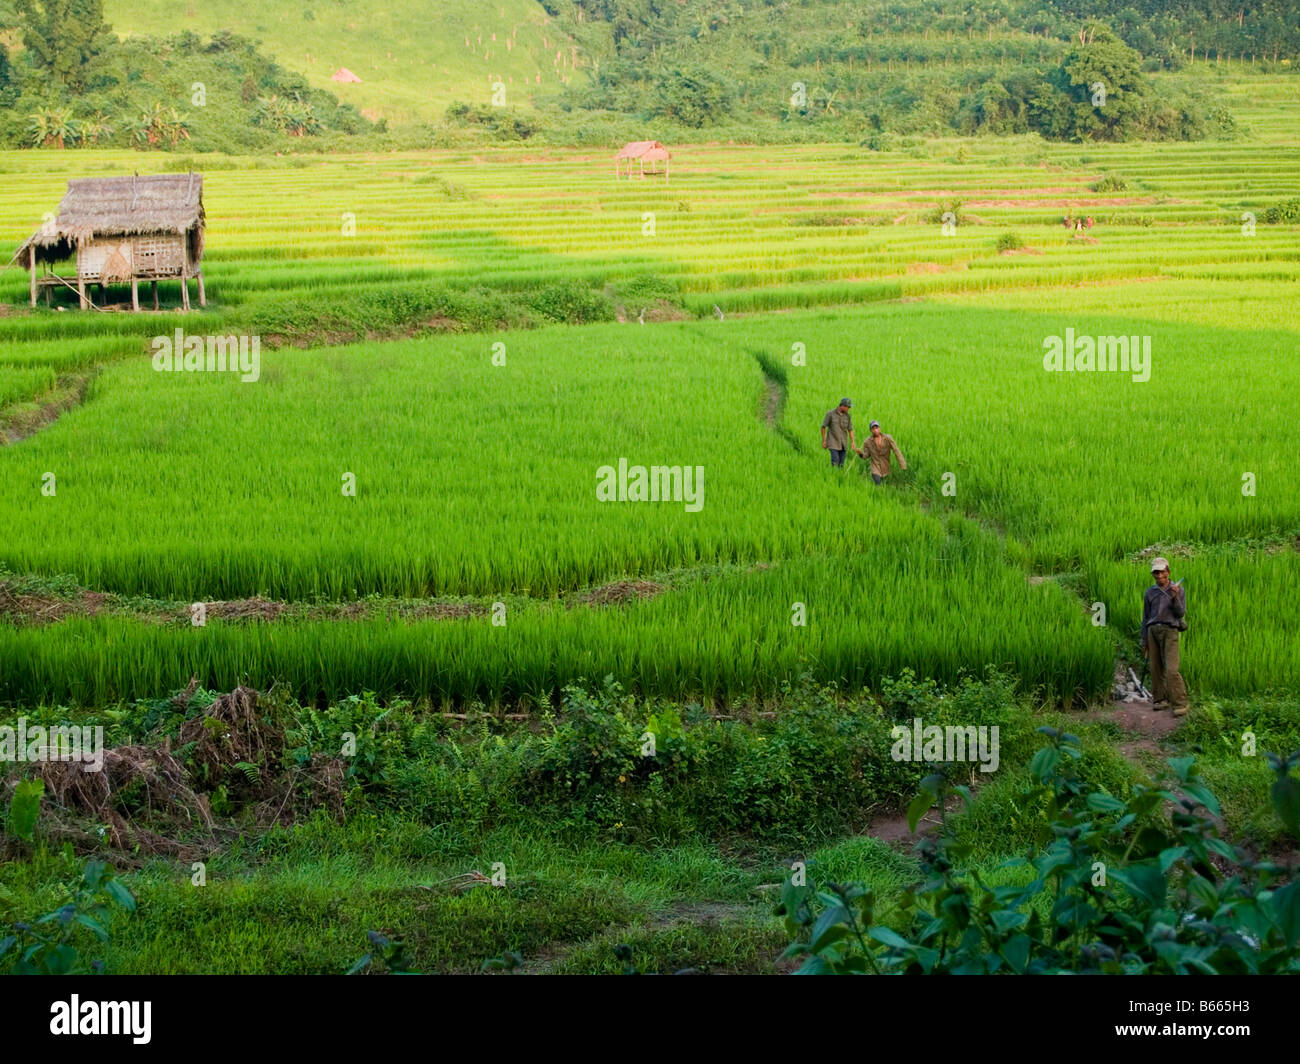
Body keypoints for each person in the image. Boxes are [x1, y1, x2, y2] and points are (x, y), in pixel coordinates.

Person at [1140, 557, 1188, 716]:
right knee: (1155, 667)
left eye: (1162, 572)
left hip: (1170, 630)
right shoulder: (1150, 592)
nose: (1159, 576)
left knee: (1172, 668)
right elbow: (1146, 617)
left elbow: (1180, 613)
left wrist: (1174, 597)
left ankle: (1180, 703)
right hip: (1152, 630)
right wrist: (1144, 640)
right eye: (1156, 572)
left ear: (1168, 572)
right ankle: (1160, 700)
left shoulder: (1178, 590)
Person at [855, 420, 906, 485]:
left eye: (876, 428)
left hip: (885, 465)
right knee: (878, 483)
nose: (875, 430)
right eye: (873, 428)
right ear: (871, 430)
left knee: (884, 484)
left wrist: (902, 464)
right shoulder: (867, 442)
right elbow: (866, 456)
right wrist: (860, 453)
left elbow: (896, 451)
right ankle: (877, 492)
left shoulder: (888, 438)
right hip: (875, 466)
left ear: (880, 428)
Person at [821, 398, 855, 468]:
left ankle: (839, 477)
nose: (849, 409)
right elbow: (823, 427)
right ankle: (833, 475)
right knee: (835, 461)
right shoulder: (830, 414)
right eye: (848, 407)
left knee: (841, 464)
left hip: (843, 443)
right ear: (842, 406)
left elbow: (850, 429)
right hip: (833, 442)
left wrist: (853, 442)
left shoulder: (848, 416)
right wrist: (824, 441)